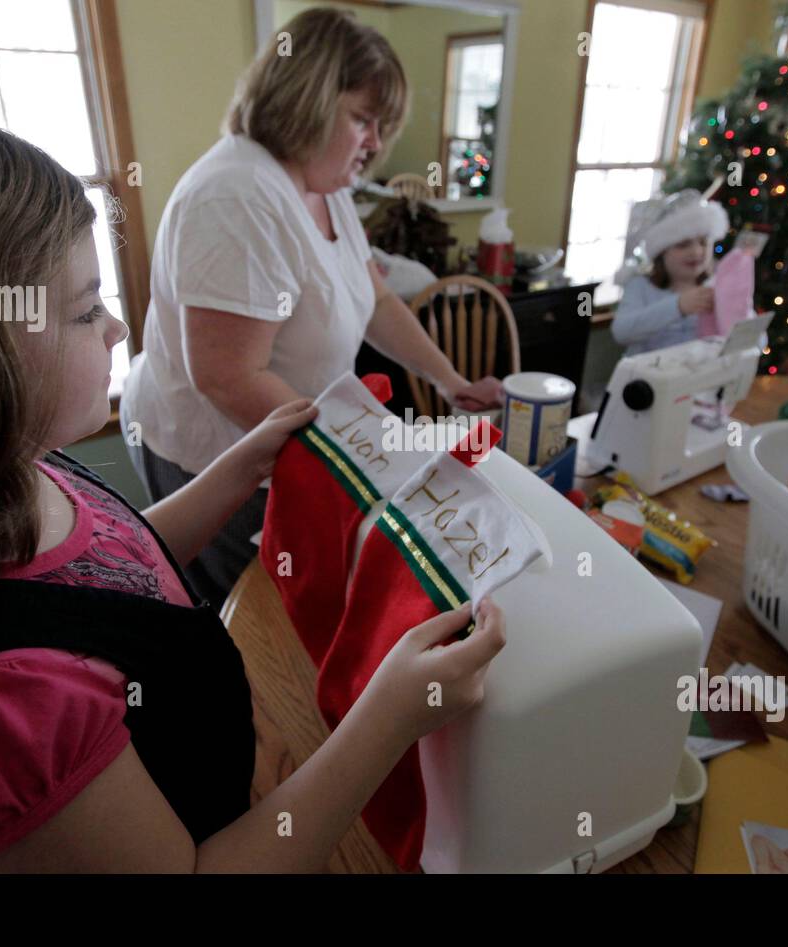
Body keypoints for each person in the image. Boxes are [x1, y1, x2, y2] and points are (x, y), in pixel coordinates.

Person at [0, 98, 506, 872]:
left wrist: (241, 466)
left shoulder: (3, 461)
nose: (119, 329)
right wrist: (389, 717)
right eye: (84, 309)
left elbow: (117, 572)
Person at [120, 7, 502, 609]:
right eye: (363, 119)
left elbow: (373, 296)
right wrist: (363, 454)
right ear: (308, 99)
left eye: (382, 124)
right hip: (212, 452)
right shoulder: (237, 194)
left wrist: (450, 383)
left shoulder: (324, 186)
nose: (376, 143)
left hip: (291, 441)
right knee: (252, 622)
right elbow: (226, 377)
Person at [611, 189, 728, 356]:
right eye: (682, 245)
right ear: (661, 252)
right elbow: (621, 332)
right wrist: (678, 306)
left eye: (703, 243)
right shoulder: (640, 286)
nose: (696, 252)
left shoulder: (718, 285)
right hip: (646, 378)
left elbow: (753, 337)